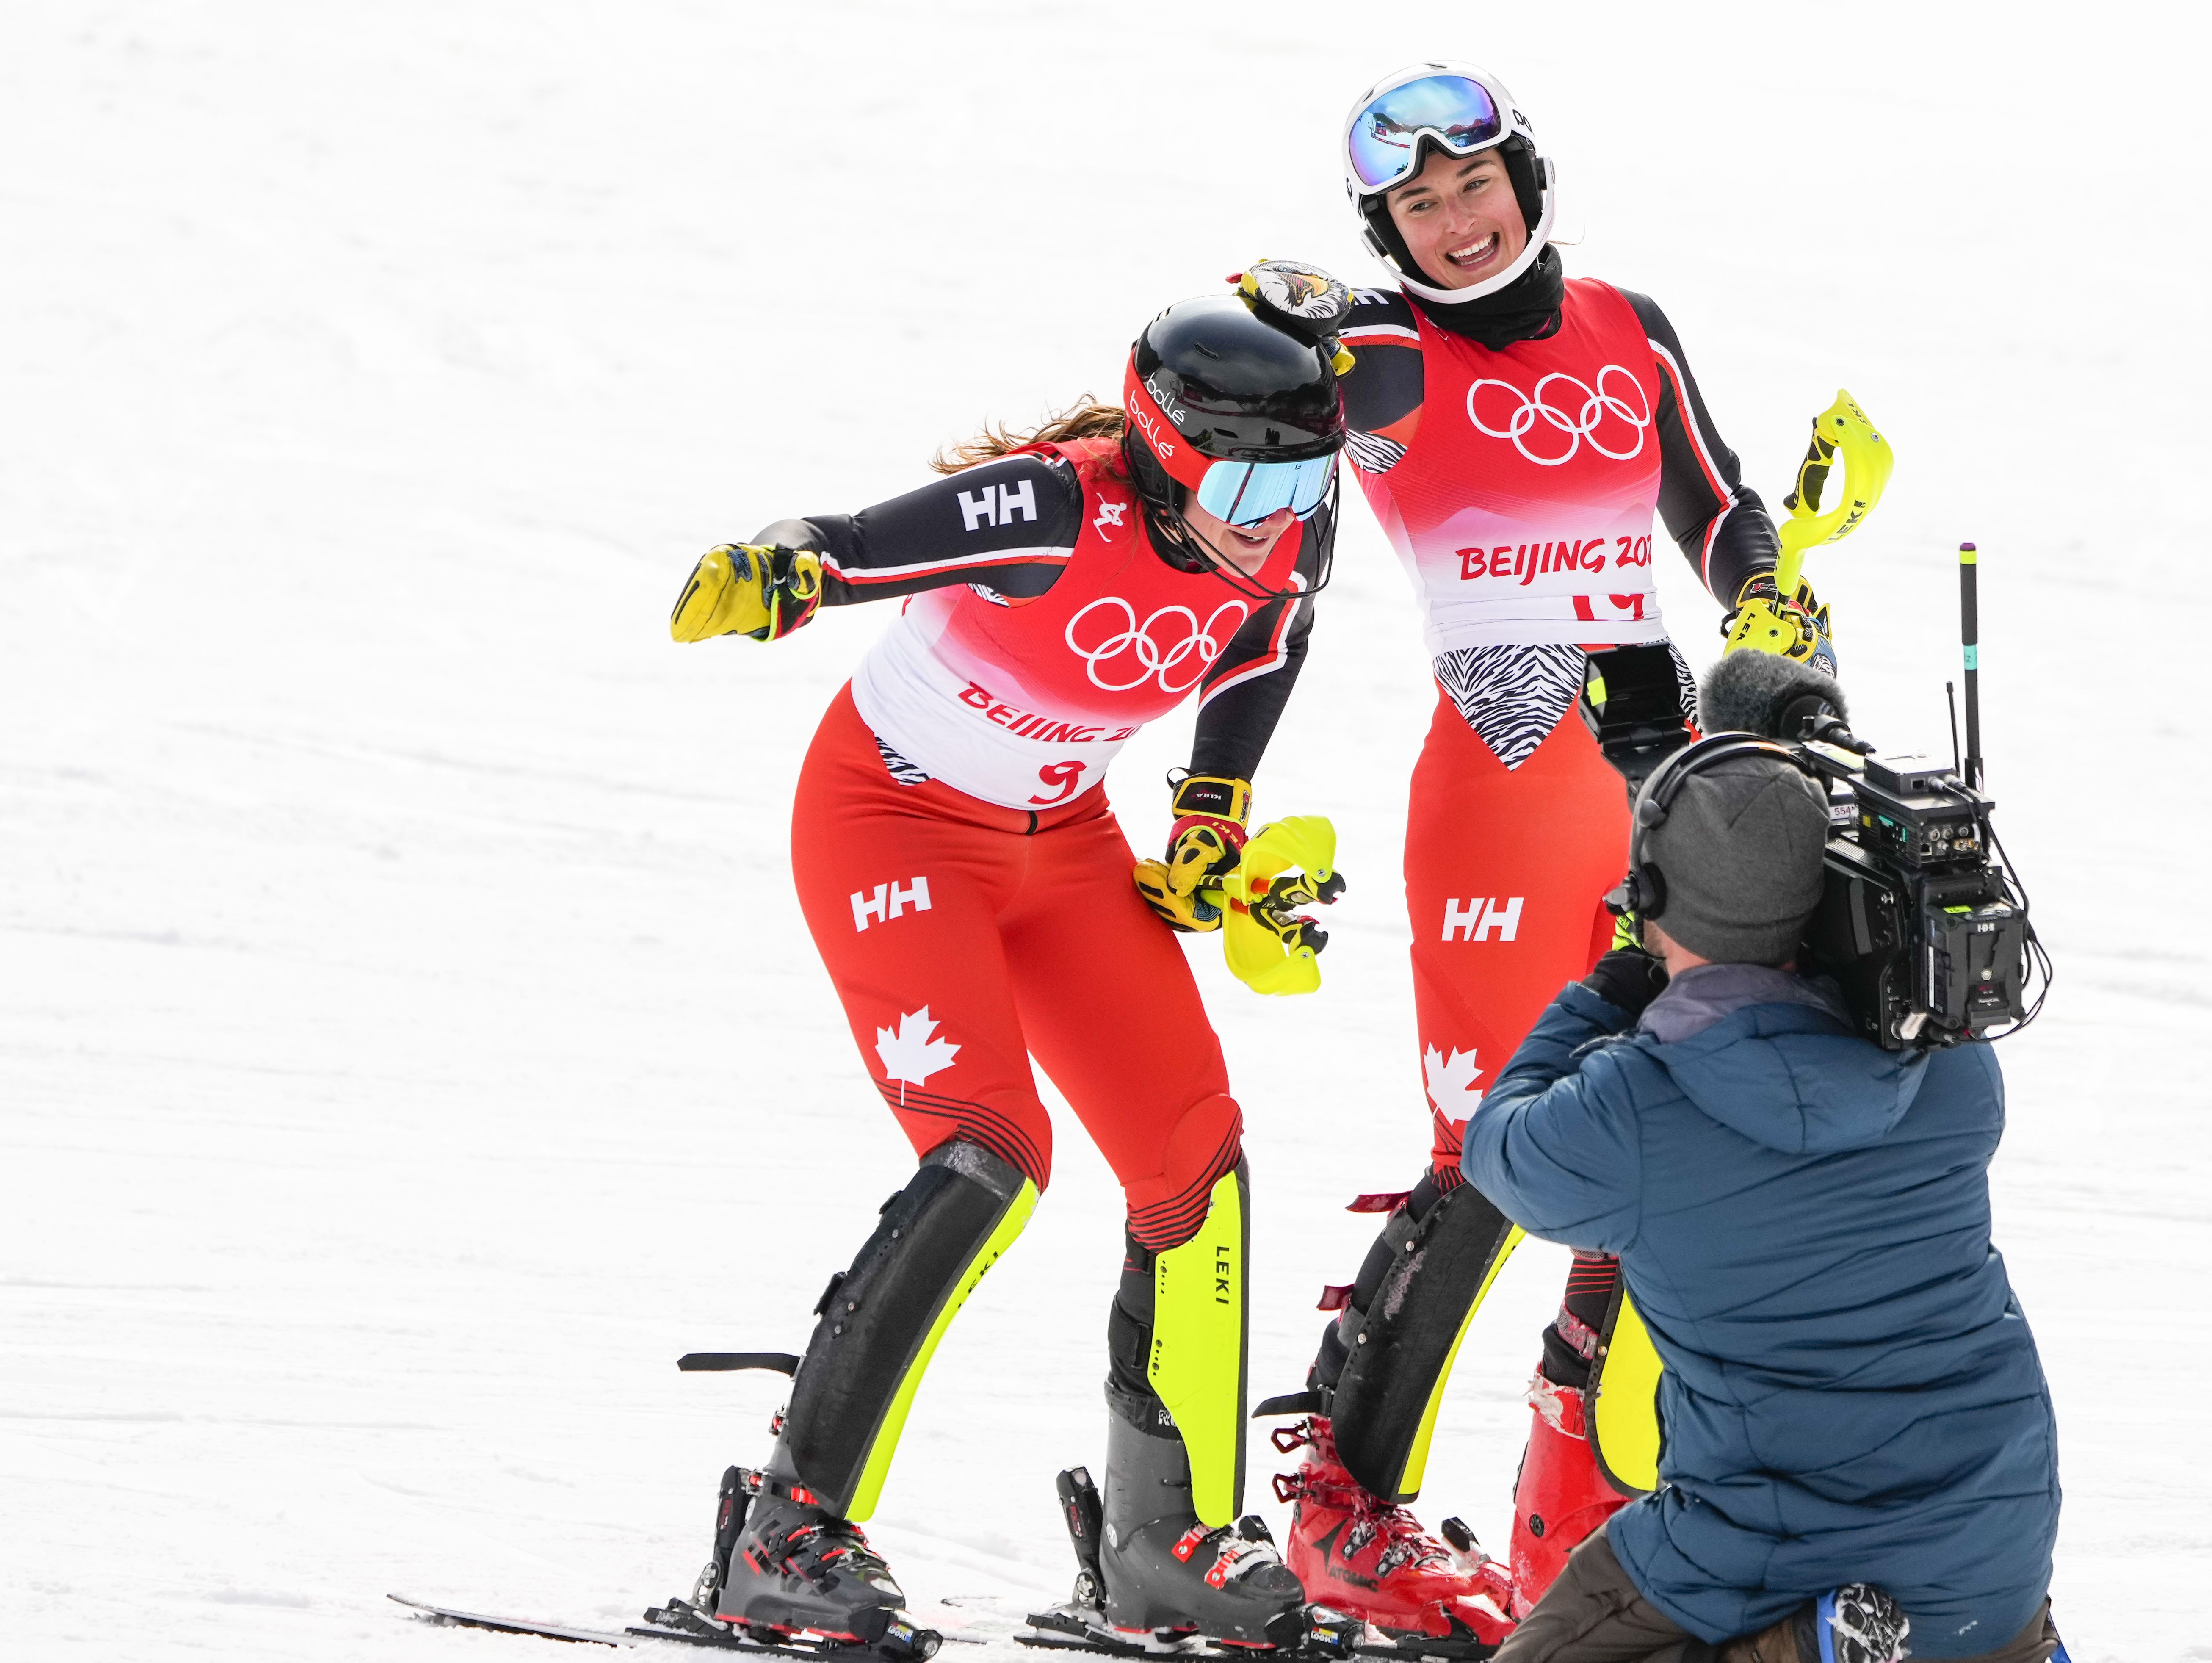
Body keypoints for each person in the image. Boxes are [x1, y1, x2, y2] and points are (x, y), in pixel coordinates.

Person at [659, 285, 1354, 1657]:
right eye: (1243, 480)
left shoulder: (1285, 532)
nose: (1274, 513)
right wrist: (774, 573)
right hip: (892, 819)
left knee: (1193, 1158)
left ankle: (1164, 1545)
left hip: (1063, 842)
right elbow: (849, 545)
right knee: (990, 1151)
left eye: (1303, 480)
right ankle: (782, 1531)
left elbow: (1265, 645)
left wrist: (1211, 813)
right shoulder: (1049, 507)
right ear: (1163, 449)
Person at [1254, 62, 1838, 1644]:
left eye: (1474, 184)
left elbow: (1713, 504)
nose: (1456, 222)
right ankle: (1341, 1502)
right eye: (1416, 204)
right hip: (1503, 771)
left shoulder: (1625, 326)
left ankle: (1576, 1492)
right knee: (1490, 1150)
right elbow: (1256, 401)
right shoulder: (1389, 352)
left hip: (1655, 761)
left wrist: (1768, 594)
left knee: (1669, 1121)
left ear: (1526, 178)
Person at [1459, 735, 2069, 1663]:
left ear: (1651, 896)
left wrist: (1600, 997)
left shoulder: (1632, 1112)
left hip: (1769, 1545)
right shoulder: (1950, 1062)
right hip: (1996, 1547)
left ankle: (1799, 1648)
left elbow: (1497, 1147)